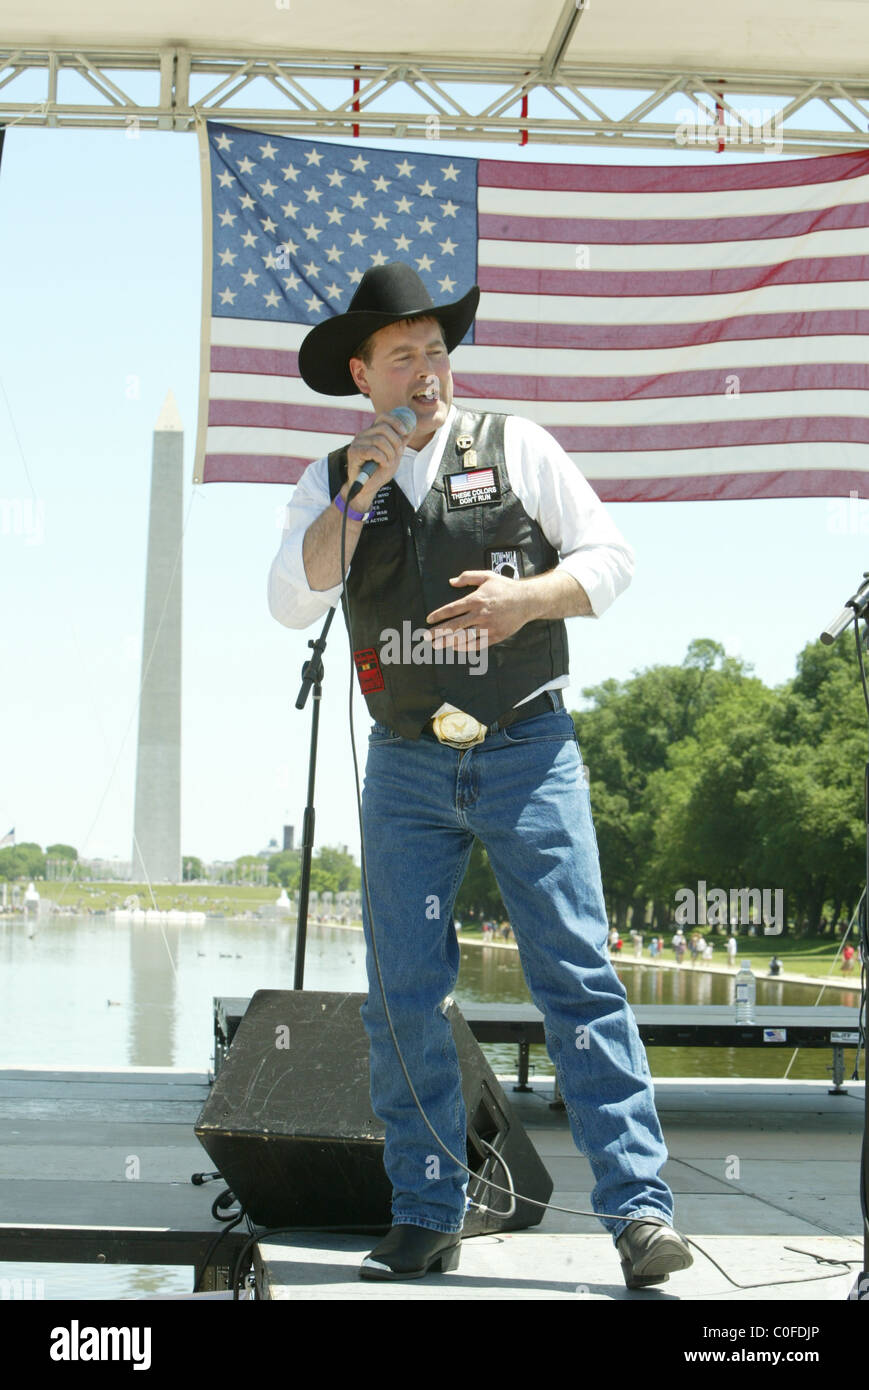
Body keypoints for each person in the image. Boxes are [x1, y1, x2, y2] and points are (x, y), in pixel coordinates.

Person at [268, 261, 692, 1289]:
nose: (428, 371)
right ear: (362, 375)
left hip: (525, 748)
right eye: (403, 355)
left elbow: (611, 558)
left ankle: (637, 1214)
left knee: (574, 976)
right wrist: (356, 497)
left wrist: (527, 601)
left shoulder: (515, 445)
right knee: (400, 996)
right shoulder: (333, 479)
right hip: (406, 762)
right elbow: (293, 597)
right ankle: (424, 1210)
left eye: (437, 351)